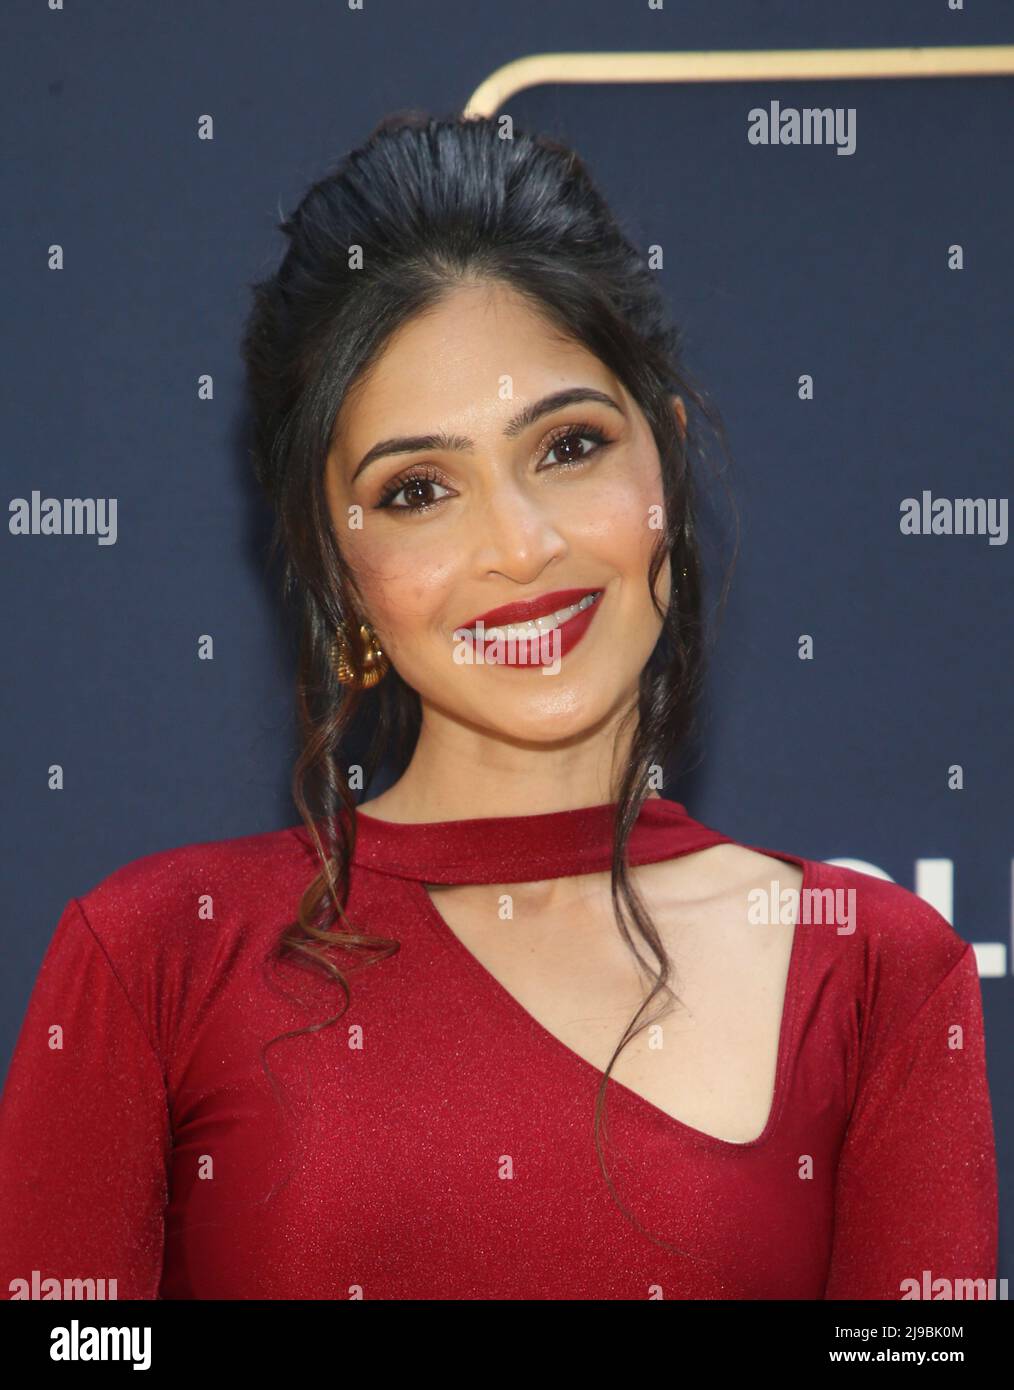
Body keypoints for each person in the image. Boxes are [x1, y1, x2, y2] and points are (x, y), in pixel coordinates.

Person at [0, 113, 997, 1300]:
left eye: (569, 447)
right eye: (419, 490)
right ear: (335, 562)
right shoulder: (157, 958)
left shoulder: (878, 973)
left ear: (665, 471)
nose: (519, 547)